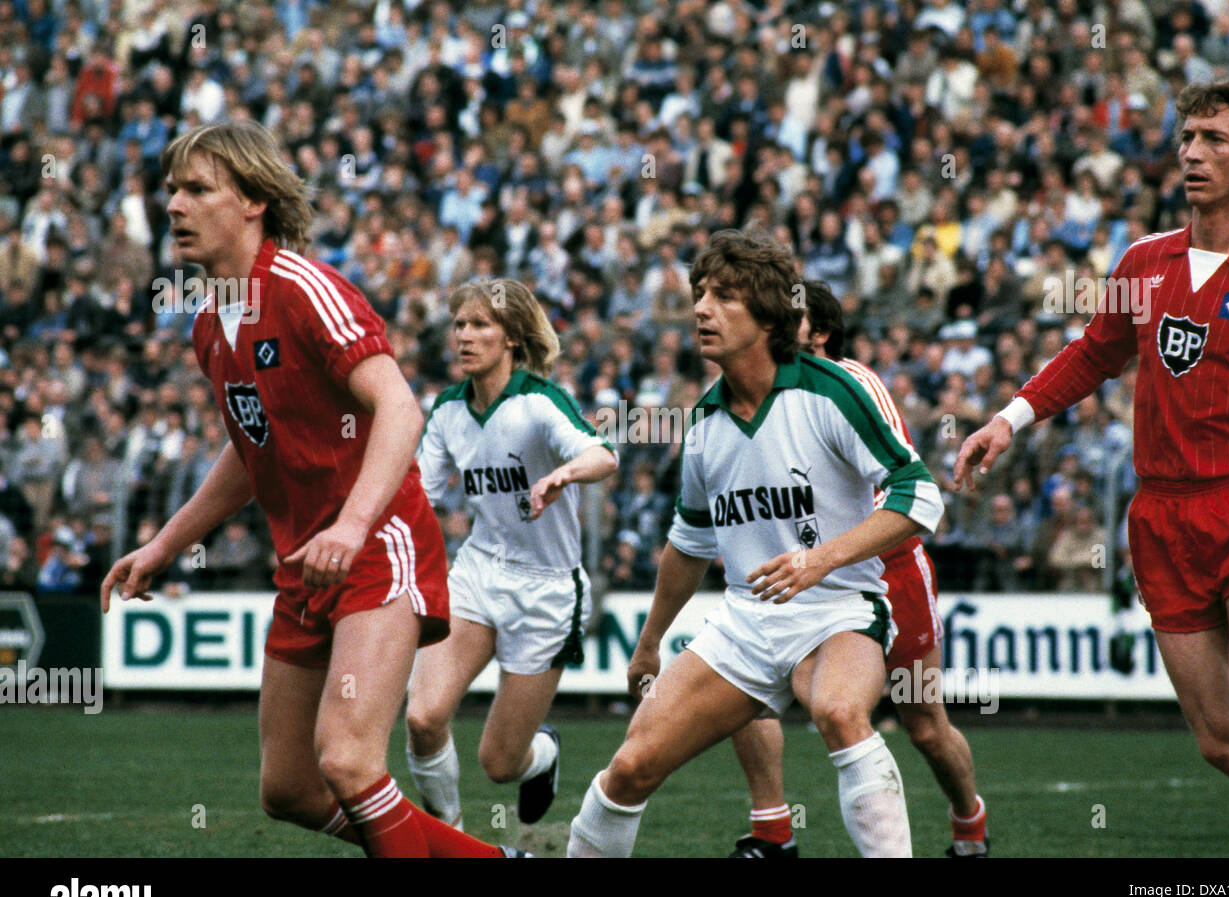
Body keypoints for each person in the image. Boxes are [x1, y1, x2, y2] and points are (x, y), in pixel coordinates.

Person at [100, 121, 518, 858]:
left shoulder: (301, 288)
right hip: (305, 564)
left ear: (255, 201)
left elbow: (400, 406)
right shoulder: (208, 325)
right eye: (171, 190)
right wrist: (166, 543)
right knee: (290, 787)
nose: (175, 205)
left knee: (349, 761)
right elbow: (250, 446)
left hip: (376, 542)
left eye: (197, 189)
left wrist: (353, 527)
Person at [955, 81, 1229, 858]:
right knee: (1220, 741)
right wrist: (1008, 420)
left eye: (1213, 138)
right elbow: (1092, 353)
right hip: (1162, 515)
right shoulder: (1144, 262)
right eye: (1186, 136)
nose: (1191, 151)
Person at [567, 228, 944, 858]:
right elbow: (688, 546)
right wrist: (649, 643)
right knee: (628, 770)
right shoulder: (706, 426)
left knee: (840, 712)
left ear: (769, 315)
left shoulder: (832, 389)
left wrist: (818, 560)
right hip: (744, 624)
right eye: (699, 293)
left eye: (723, 296)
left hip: (840, 612)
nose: (701, 308)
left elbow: (920, 494)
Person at [728, 281, 988, 858]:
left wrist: (822, 546)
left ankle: (970, 821)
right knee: (747, 685)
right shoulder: (757, 390)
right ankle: (772, 827)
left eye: (787, 318)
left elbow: (898, 486)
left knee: (923, 724)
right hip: (806, 575)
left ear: (818, 333)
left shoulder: (854, 381)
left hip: (888, 569)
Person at [406, 278, 617, 828]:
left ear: (513, 339)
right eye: (459, 325)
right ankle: (447, 839)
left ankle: (543, 756)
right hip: (478, 570)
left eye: (480, 325)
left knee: (499, 764)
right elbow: (416, 499)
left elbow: (603, 456)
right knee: (424, 719)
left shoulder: (539, 402)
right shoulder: (448, 410)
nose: (465, 336)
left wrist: (564, 474)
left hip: (546, 587)